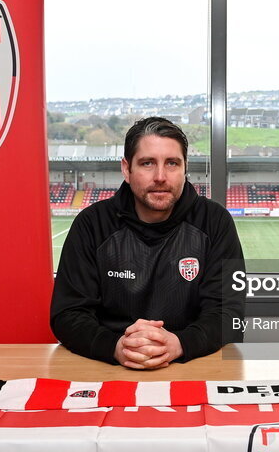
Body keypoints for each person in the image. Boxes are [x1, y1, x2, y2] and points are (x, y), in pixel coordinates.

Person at [51, 117, 245, 369]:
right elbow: (68, 314)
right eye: (147, 163)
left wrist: (178, 343)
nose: (161, 176)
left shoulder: (215, 221)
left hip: (191, 365)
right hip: (109, 366)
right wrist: (116, 347)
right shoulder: (92, 224)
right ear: (126, 169)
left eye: (172, 163)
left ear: (185, 168)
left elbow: (228, 313)